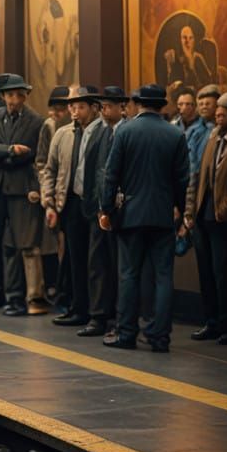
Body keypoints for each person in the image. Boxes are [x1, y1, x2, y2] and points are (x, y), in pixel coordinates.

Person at [99, 83, 190, 353]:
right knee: (163, 277)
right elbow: (182, 179)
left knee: (129, 275)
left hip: (131, 215)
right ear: (162, 105)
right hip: (162, 215)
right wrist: (180, 210)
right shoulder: (175, 134)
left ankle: (126, 333)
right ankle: (160, 337)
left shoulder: (125, 131)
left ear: (138, 103)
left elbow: (111, 174)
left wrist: (106, 209)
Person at [0, 74, 45, 314]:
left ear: (25, 96)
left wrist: (3, 154)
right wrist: (11, 150)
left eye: (19, 95)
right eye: (10, 95)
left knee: (15, 245)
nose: (15, 99)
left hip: (19, 189)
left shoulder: (35, 121)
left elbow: (33, 154)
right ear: (3, 96)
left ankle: (15, 298)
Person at [182, 92, 227, 344]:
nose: (219, 114)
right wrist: (190, 210)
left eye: (225, 111)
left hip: (226, 217)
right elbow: (197, 176)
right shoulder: (212, 138)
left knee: (225, 275)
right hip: (203, 216)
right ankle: (212, 322)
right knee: (206, 274)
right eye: (218, 110)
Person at [42, 86, 103, 328]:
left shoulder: (100, 133)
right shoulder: (63, 134)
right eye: (72, 107)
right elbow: (50, 169)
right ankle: (78, 308)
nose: (75, 112)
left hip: (94, 203)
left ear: (93, 108)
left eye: (81, 107)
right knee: (74, 258)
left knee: (96, 260)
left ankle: (97, 310)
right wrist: (49, 202)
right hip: (70, 202)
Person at [79, 85, 127, 336]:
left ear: (122, 108)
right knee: (97, 264)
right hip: (98, 209)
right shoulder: (98, 132)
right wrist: (95, 207)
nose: (104, 110)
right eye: (103, 106)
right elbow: (93, 171)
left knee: (120, 265)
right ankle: (98, 317)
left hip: (121, 210)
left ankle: (121, 318)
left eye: (109, 106)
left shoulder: (127, 132)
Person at [188, 83, 221, 338]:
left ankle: (225, 322)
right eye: (200, 102)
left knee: (223, 271)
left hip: (219, 209)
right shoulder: (195, 132)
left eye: (208, 103)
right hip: (198, 206)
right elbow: (191, 171)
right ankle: (210, 320)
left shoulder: (222, 134)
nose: (203, 106)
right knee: (205, 269)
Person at [36, 85, 70, 308]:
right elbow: (42, 163)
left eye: (58, 109)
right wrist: (46, 196)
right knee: (56, 246)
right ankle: (60, 291)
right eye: (52, 109)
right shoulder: (49, 127)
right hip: (54, 195)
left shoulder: (75, 129)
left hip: (71, 196)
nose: (53, 114)